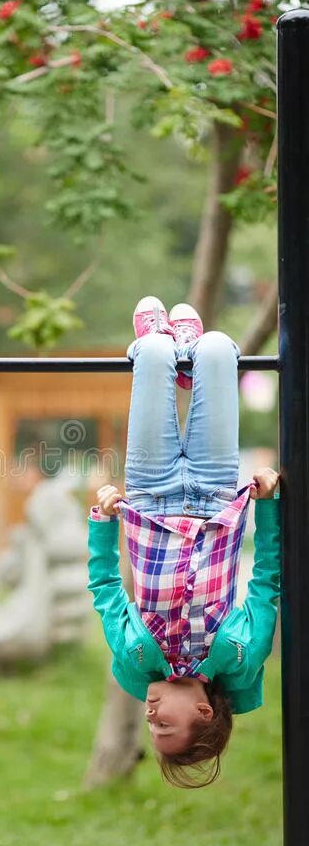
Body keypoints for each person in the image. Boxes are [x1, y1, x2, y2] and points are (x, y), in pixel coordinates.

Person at [88, 297, 280, 788]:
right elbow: (265, 582)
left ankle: (168, 351)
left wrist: (103, 522)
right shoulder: (239, 654)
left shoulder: (135, 656)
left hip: (149, 493)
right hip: (217, 492)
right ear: (203, 710)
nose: (150, 716)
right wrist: (268, 505)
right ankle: (191, 356)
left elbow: (106, 589)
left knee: (150, 349)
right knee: (218, 348)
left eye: (150, 727)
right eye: (164, 724)